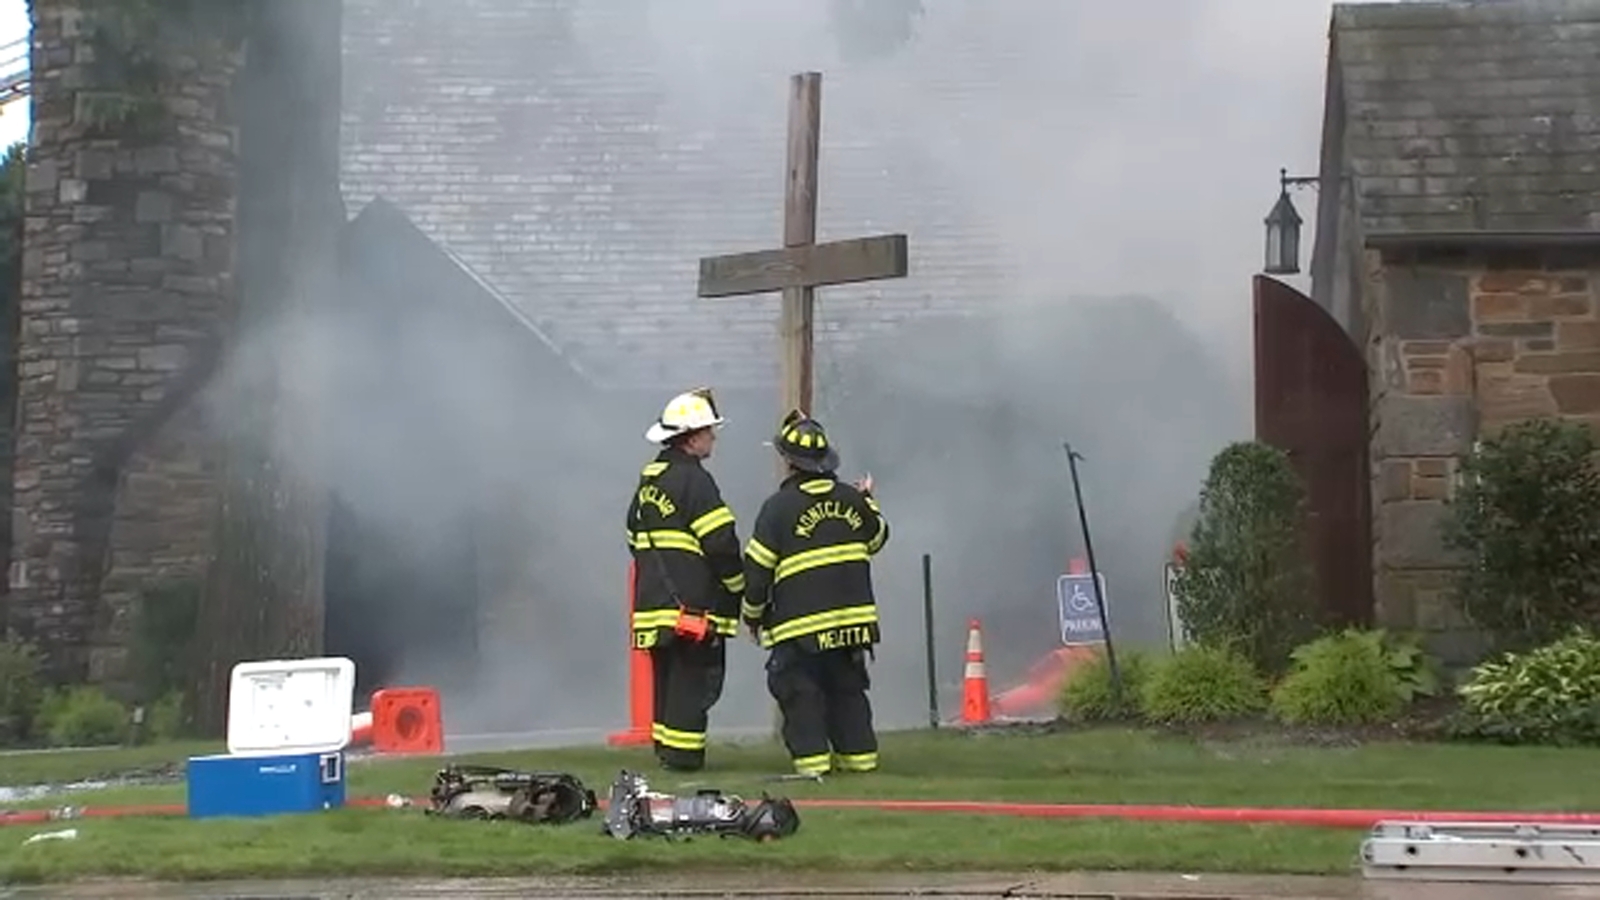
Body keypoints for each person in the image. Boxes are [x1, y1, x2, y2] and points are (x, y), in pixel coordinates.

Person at [741, 410, 890, 777]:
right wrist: (868, 500)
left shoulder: (777, 509)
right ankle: (860, 762)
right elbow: (877, 538)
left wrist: (752, 614)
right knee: (848, 691)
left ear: (789, 462)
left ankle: (812, 768)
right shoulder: (852, 501)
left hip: (800, 628)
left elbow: (758, 571)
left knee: (799, 692)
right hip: (851, 626)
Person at [625, 387, 745, 772]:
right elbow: (721, 542)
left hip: (654, 604)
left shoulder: (649, 482)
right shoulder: (695, 481)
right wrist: (739, 584)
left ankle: (666, 752)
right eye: (709, 431)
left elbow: (633, 536)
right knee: (692, 683)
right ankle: (684, 758)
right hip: (691, 608)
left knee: (666, 680)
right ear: (691, 438)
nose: (713, 437)